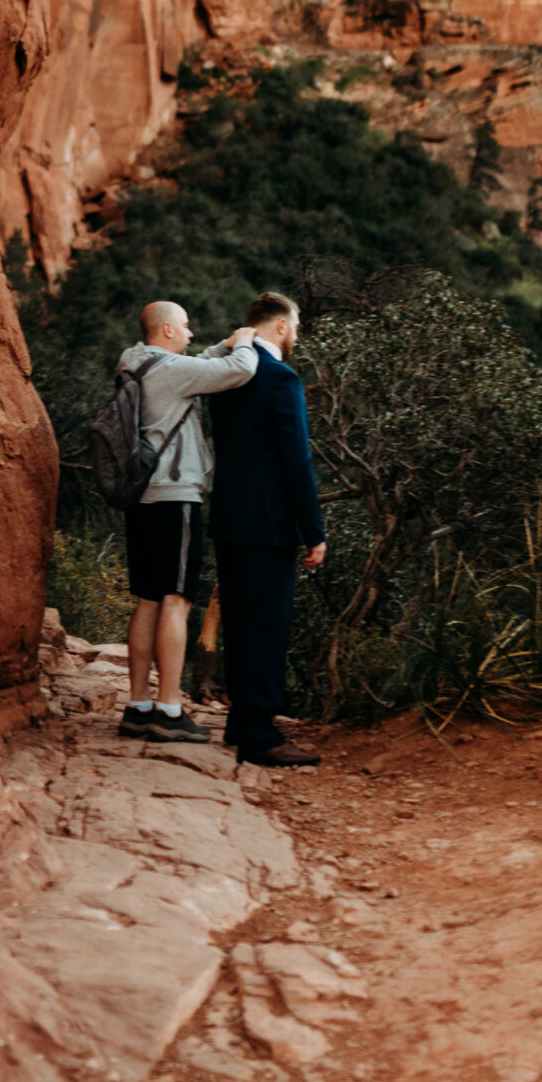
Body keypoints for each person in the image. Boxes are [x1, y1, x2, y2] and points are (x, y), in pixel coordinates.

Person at [114, 301, 258, 743]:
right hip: (176, 496)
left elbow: (196, 362)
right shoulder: (172, 371)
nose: (192, 333)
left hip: (141, 497)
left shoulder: (134, 361)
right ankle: (170, 708)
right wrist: (247, 340)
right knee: (177, 599)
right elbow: (240, 370)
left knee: (148, 600)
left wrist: (223, 342)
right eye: (187, 327)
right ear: (168, 330)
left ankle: (138, 707)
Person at [208, 290, 327, 768]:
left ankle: (242, 722)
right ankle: (258, 734)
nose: (295, 335)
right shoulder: (280, 378)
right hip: (269, 523)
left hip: (230, 516)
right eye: (295, 326)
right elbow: (296, 459)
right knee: (267, 625)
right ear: (280, 326)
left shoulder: (225, 376)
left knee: (241, 623)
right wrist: (312, 530)